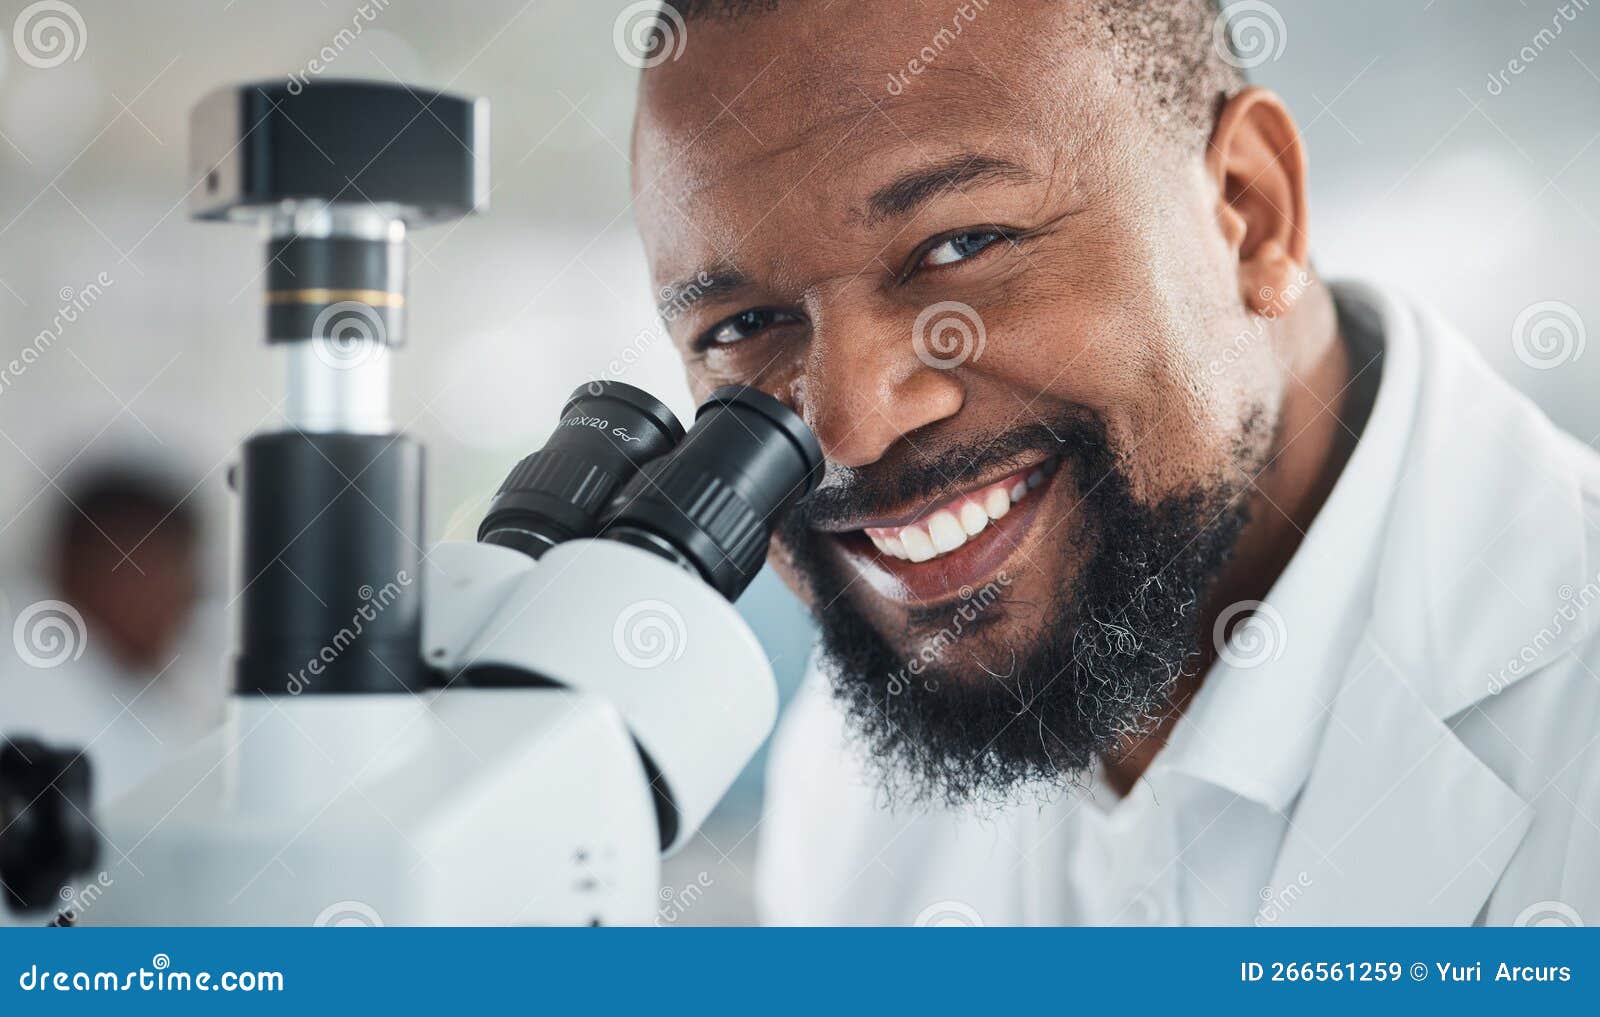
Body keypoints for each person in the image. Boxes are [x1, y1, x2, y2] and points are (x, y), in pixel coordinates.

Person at [628, 0, 1600, 925]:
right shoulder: (844, 782)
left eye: (959, 245)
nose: (848, 429)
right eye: (743, 325)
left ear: (1248, 214)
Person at [1, 465, 224, 814]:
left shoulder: (122, 687)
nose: (187, 598)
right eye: (169, 571)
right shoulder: (31, 697)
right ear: (91, 566)